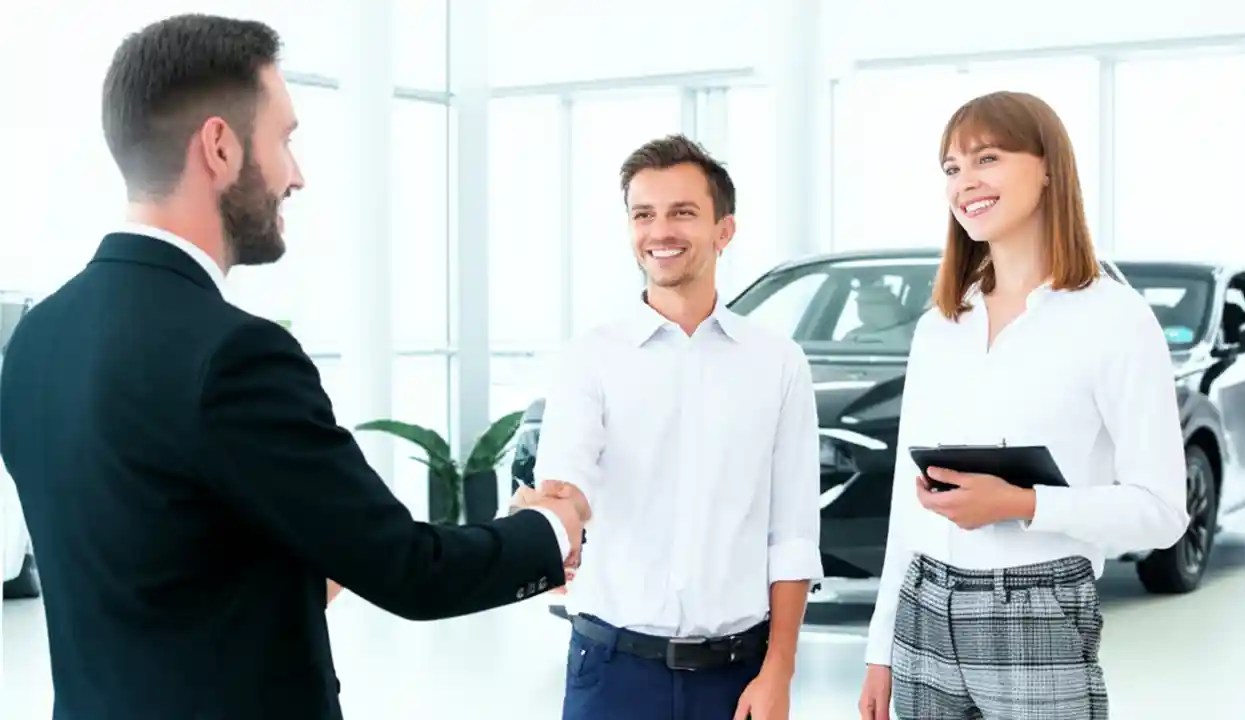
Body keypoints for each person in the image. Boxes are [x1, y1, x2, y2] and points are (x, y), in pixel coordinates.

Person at [0, 14, 586, 720]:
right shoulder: (233, 354)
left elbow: (155, 562)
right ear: (218, 146)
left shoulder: (36, 338)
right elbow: (412, 573)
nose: (296, 175)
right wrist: (550, 526)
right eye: (285, 139)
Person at [857, 91, 1190, 720]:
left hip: (1039, 615)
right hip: (924, 611)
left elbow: (1162, 511)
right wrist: (881, 648)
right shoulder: (942, 324)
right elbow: (911, 500)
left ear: (1047, 167)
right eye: (952, 168)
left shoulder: (1114, 317)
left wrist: (1022, 504)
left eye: (987, 158)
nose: (965, 183)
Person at [528, 134, 823, 720]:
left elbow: (792, 533)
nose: (660, 231)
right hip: (611, 671)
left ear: (724, 230)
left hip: (738, 673)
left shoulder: (778, 362)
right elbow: (567, 479)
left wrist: (779, 671)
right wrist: (550, 519)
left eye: (683, 213)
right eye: (644, 215)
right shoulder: (589, 356)